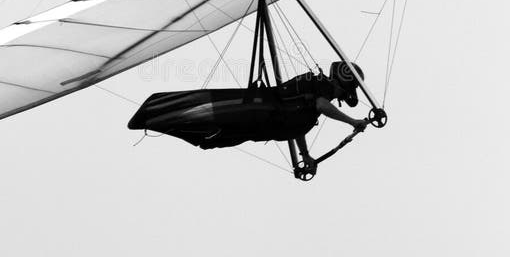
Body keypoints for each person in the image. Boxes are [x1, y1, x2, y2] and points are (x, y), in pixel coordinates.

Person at [128, 60, 369, 174]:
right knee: (206, 114)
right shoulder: (321, 88)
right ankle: (155, 111)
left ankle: (156, 120)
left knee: (211, 140)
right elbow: (322, 104)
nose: (340, 96)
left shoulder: (308, 110)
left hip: (263, 125)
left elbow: (297, 128)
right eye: (343, 92)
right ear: (340, 83)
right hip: (259, 109)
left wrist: (306, 156)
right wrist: (353, 121)